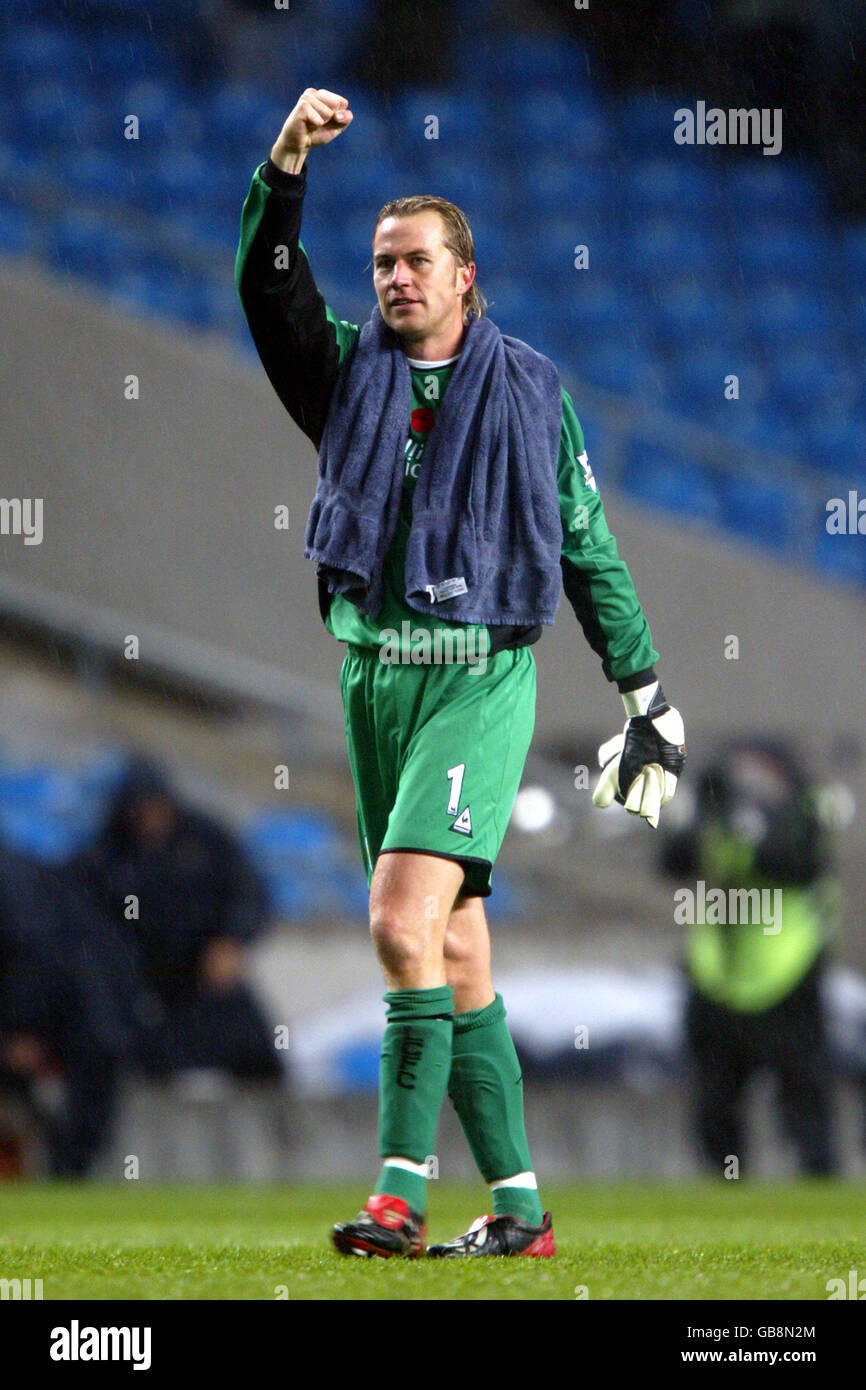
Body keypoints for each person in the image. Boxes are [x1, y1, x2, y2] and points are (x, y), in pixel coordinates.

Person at [236, 88, 686, 1258]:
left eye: (415, 261)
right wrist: (284, 167)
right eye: (381, 262)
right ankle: (524, 1210)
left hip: (477, 676)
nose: (393, 279)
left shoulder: (531, 393)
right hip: (372, 676)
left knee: (396, 919)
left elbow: (583, 542)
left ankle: (396, 1192)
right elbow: (267, 290)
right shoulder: (342, 376)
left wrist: (641, 691)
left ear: (464, 276)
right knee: (459, 945)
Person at [660, 739, 838, 1176]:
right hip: (718, 973)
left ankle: (817, 1180)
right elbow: (673, 862)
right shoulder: (711, 811)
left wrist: (756, 823)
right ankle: (724, 1179)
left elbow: (798, 863)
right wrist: (707, 810)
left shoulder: (803, 808)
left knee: (803, 1090)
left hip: (787, 968)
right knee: (715, 1096)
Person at [74, 758, 280, 1086]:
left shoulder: (204, 839)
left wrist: (233, 940)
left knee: (260, 1058)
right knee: (139, 1063)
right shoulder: (105, 857)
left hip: (206, 974)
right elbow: (84, 922)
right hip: (145, 986)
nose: (151, 820)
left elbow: (249, 891)